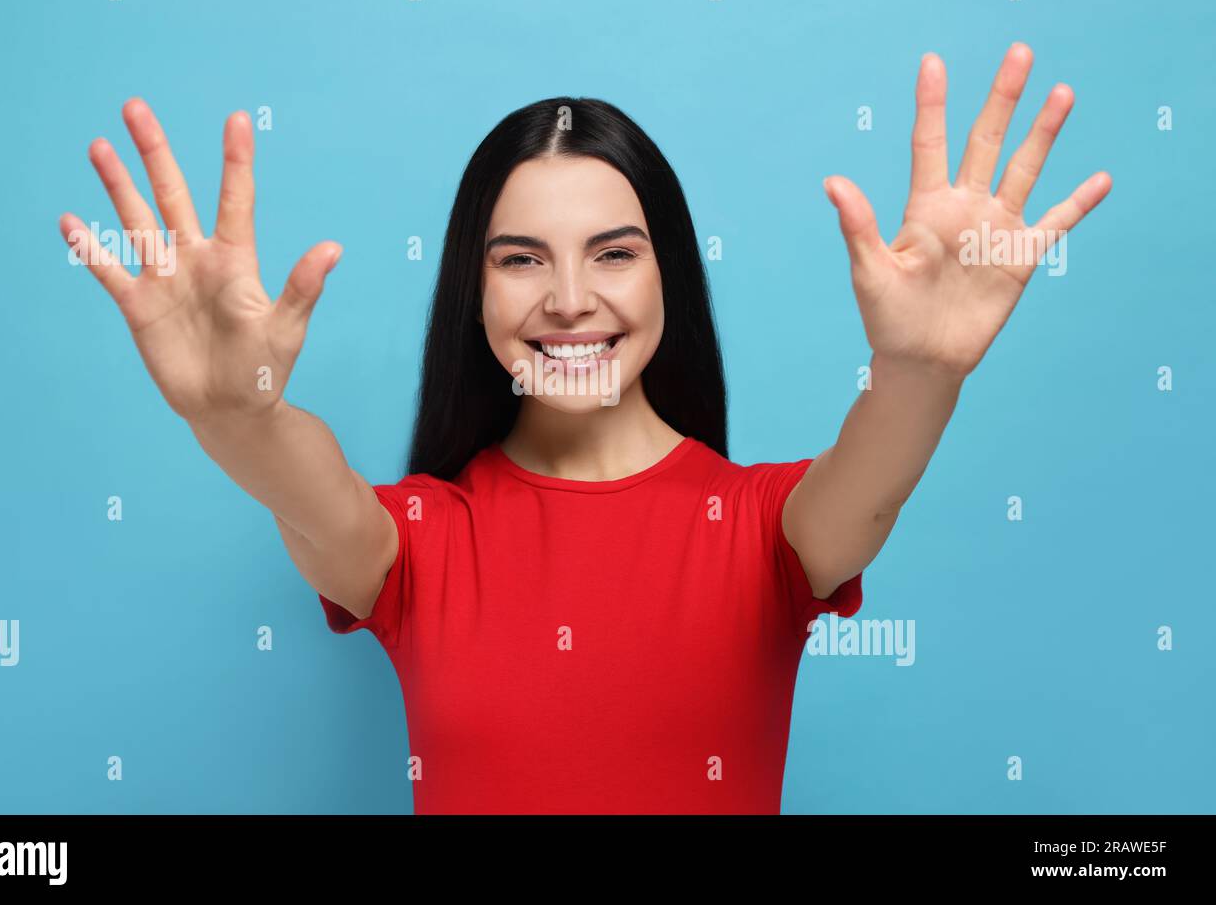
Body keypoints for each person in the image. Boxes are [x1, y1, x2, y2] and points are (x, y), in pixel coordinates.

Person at [58, 42, 1110, 813]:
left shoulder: (765, 528)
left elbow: (876, 469)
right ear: (474, 290)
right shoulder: (415, 544)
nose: (568, 298)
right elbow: (301, 479)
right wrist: (234, 412)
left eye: (613, 253)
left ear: (670, 280)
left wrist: (919, 370)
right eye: (520, 258)